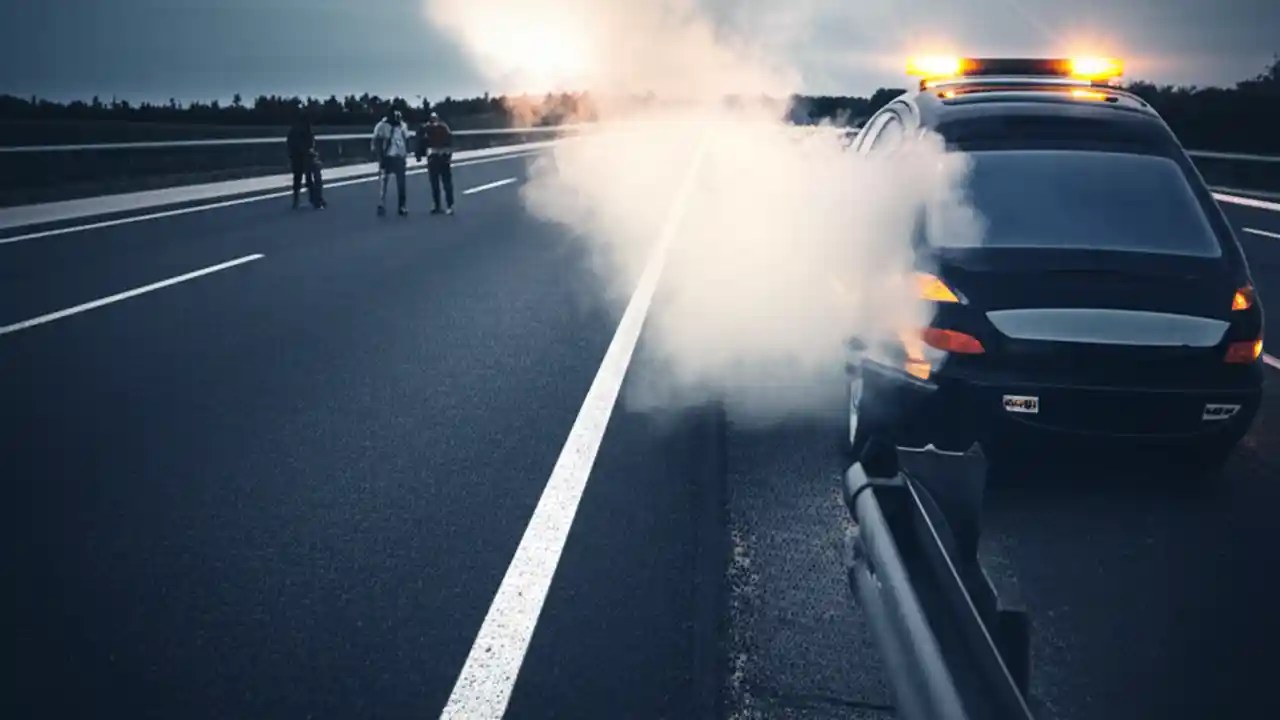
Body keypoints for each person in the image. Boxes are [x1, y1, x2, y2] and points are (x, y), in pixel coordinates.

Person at [372, 109, 410, 216]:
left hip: (399, 157)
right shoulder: (382, 126)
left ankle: (401, 206)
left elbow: (406, 140)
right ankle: (381, 203)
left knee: (400, 183)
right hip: (387, 157)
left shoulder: (402, 126)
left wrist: (405, 154)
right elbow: (377, 143)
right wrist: (380, 158)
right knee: (384, 182)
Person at [416, 111, 455, 215]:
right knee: (445, 182)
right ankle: (449, 205)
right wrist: (449, 155)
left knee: (435, 183)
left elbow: (421, 142)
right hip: (441, 157)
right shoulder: (444, 127)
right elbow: (450, 141)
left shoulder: (426, 128)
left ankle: (437, 205)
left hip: (433, 158)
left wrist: (419, 155)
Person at [286, 113, 326, 209]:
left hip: (296, 157)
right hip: (305, 157)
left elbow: (290, 144)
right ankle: (315, 200)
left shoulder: (293, 131)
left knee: (298, 179)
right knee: (310, 179)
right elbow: (310, 144)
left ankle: (297, 201)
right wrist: (311, 152)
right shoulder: (306, 130)